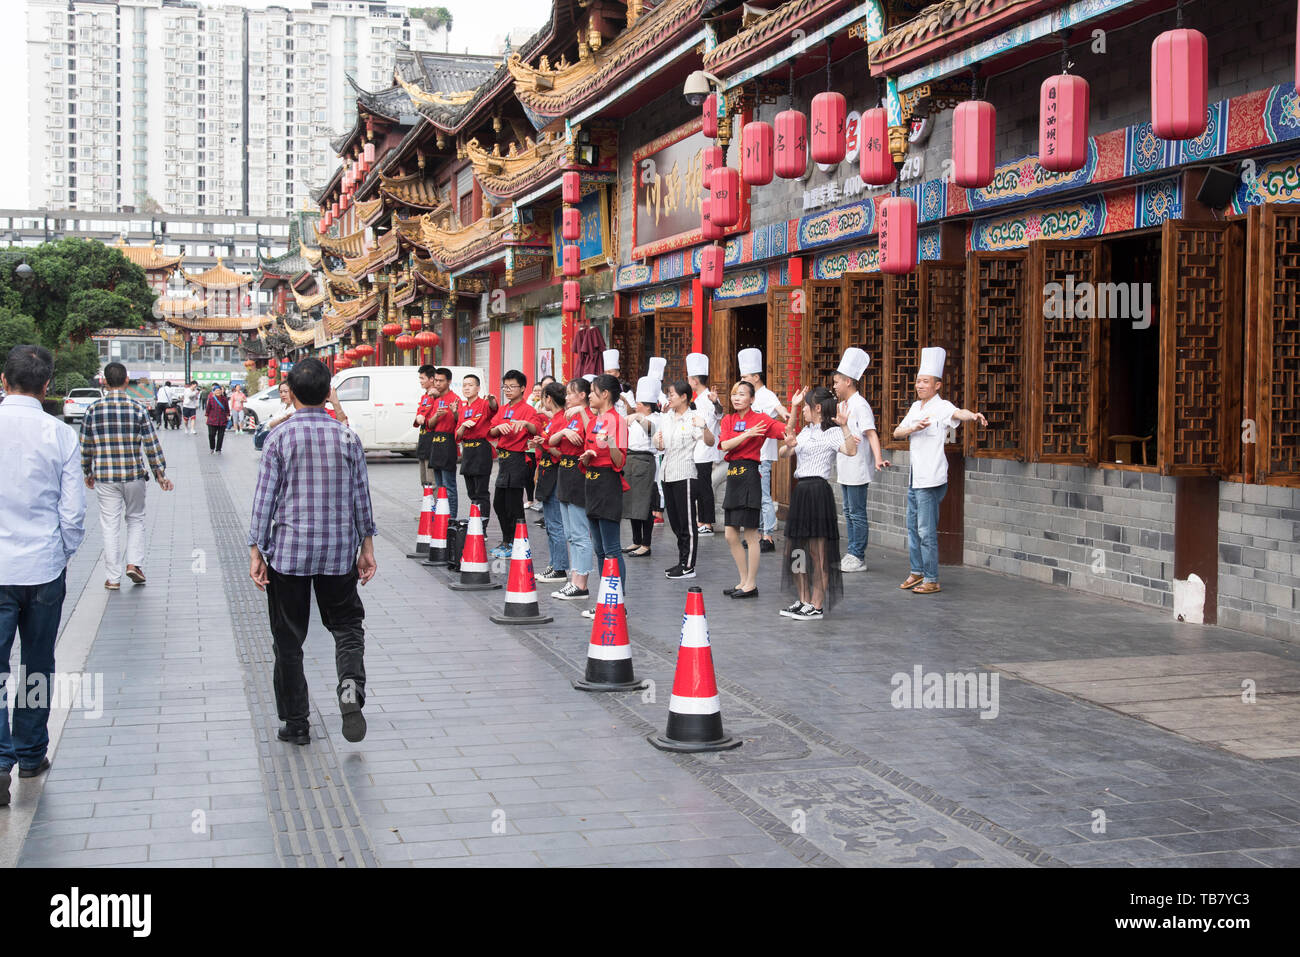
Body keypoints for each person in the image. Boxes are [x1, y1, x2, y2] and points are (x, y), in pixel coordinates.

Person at [248, 358, 377, 747]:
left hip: (289, 555)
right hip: (338, 554)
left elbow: (264, 500)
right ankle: (350, 685)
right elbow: (361, 499)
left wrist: (256, 549)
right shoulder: (347, 438)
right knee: (347, 627)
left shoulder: (279, 439)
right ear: (327, 395)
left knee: (288, 640)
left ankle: (297, 722)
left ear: (290, 393)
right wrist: (366, 546)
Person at [0, 345, 85, 799]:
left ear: (2, 380)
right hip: (44, 568)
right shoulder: (60, 434)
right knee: (37, 664)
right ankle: (30, 754)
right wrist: (61, 554)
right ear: (47, 385)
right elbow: (72, 512)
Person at [893, 347, 987, 595]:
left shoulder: (942, 406)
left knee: (925, 530)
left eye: (925, 381)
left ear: (937, 385)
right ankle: (917, 571)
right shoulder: (915, 408)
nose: (920, 385)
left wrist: (973, 416)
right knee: (912, 527)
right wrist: (914, 427)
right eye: (918, 381)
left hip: (931, 478)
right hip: (915, 477)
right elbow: (896, 433)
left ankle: (931, 577)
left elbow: (959, 413)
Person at [80, 361, 174, 590]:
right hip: (133, 475)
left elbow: (86, 446)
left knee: (110, 524)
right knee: (135, 519)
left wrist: (88, 471)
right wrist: (160, 473)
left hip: (105, 477)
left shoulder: (93, 410)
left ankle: (113, 578)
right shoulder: (137, 408)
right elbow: (151, 444)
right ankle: (134, 564)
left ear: (103, 381)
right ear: (125, 381)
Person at [779, 387, 858, 621]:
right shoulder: (805, 431)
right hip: (801, 492)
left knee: (817, 552)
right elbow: (784, 453)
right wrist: (791, 443)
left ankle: (817, 604)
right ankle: (803, 599)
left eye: (806, 406)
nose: (803, 410)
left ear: (818, 408)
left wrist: (844, 426)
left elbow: (851, 451)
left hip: (818, 491)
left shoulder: (833, 432)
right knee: (795, 549)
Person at [717, 378, 786, 599]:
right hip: (734, 474)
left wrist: (792, 412)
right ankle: (743, 580)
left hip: (749, 475)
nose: (737, 398)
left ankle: (751, 584)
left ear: (752, 399)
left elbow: (785, 431)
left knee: (751, 534)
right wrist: (747, 434)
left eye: (742, 394)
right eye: (734, 394)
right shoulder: (728, 419)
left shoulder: (761, 419)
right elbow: (725, 445)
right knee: (730, 534)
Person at [832, 348, 889, 572]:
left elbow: (871, 433)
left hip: (857, 467)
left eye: (837, 382)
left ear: (848, 381)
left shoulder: (860, 404)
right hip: (845, 465)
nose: (834, 386)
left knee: (856, 512)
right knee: (848, 511)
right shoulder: (843, 405)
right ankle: (852, 552)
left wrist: (878, 458)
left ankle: (858, 555)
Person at [580, 374, 629, 616]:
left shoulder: (617, 421)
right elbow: (588, 450)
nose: (589, 395)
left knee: (612, 548)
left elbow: (620, 461)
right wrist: (587, 456)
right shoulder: (593, 421)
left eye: (592, 391)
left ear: (605, 394)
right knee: (598, 548)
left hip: (608, 483)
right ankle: (605, 597)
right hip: (591, 482)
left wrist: (610, 443)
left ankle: (617, 602)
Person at [655, 379, 713, 580]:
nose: (669, 398)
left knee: (688, 522)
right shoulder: (666, 417)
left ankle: (688, 565)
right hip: (666, 474)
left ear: (684, 397)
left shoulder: (694, 417)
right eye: (668, 394)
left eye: (671, 394)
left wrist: (704, 427)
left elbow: (710, 441)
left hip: (685, 474)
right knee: (676, 523)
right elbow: (660, 445)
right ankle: (681, 560)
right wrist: (658, 442)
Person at [739, 348, 788, 553]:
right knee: (753, 495)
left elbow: (783, 413)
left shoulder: (767, 396)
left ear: (756, 377)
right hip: (749, 455)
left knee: (764, 496)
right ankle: (758, 533)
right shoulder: (747, 396)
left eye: (745, 377)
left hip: (764, 454)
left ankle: (767, 536)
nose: (741, 380)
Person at [487, 370, 540, 558]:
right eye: (505, 387)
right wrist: (497, 428)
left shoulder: (528, 410)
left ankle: (518, 543)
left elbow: (536, 430)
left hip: (518, 459)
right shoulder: (503, 409)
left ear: (523, 388)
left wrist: (525, 424)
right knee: (499, 503)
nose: (507, 390)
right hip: (504, 459)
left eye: (512, 386)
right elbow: (491, 431)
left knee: (514, 504)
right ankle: (507, 540)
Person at [549, 378, 593, 602]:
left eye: (570, 393)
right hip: (564, 472)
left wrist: (580, 416)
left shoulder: (589, 416)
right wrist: (565, 432)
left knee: (579, 533)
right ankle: (574, 580)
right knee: (569, 534)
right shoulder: (569, 417)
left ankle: (581, 583)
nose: (566, 397)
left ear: (583, 395)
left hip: (579, 474)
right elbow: (551, 440)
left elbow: (593, 440)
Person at [530, 380, 569, 583]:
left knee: (555, 523)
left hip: (555, 473)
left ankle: (560, 567)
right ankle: (554, 564)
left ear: (548, 398)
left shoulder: (561, 420)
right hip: (547, 471)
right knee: (551, 522)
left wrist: (543, 444)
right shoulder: (555, 420)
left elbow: (561, 453)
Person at [622, 376, 660, 559]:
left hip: (645, 461)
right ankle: (636, 540)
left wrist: (638, 417)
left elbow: (653, 431)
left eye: (638, 404)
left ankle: (646, 543)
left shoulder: (656, 419)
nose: (636, 406)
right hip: (630, 459)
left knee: (643, 505)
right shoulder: (634, 418)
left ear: (647, 405)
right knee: (631, 503)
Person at [686, 353, 721, 536]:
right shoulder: (696, 400)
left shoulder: (709, 397)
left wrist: (715, 402)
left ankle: (707, 523)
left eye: (689, 378)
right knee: (700, 486)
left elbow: (719, 413)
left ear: (694, 380)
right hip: (696, 448)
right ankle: (702, 521)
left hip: (705, 448)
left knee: (704, 486)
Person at [456, 373, 497, 522]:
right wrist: (462, 427)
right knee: (471, 491)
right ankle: (475, 522)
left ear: (478, 388)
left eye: (470, 385)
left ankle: (482, 527)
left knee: (481, 491)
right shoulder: (462, 408)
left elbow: (493, 408)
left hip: (481, 450)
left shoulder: (483, 404)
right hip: (467, 451)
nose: (467, 388)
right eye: (464, 385)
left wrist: (492, 401)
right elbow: (457, 435)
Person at [423, 367, 460, 517]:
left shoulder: (455, 399)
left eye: (441, 381)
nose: (437, 384)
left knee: (449, 485)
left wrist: (454, 412)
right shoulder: (436, 400)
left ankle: (451, 518)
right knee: (439, 485)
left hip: (448, 443)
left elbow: (460, 422)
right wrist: (437, 416)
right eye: (436, 380)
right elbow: (429, 425)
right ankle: (441, 516)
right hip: (436, 444)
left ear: (449, 381)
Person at [206, 384, 230, 453]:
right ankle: (212, 447)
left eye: (219, 390)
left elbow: (227, 409)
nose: (218, 392)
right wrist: (207, 418)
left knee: (221, 436)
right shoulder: (211, 399)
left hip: (222, 420)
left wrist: (227, 416)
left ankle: (218, 449)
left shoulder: (224, 399)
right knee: (211, 435)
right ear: (214, 391)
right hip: (212, 420)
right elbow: (208, 410)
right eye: (216, 390)